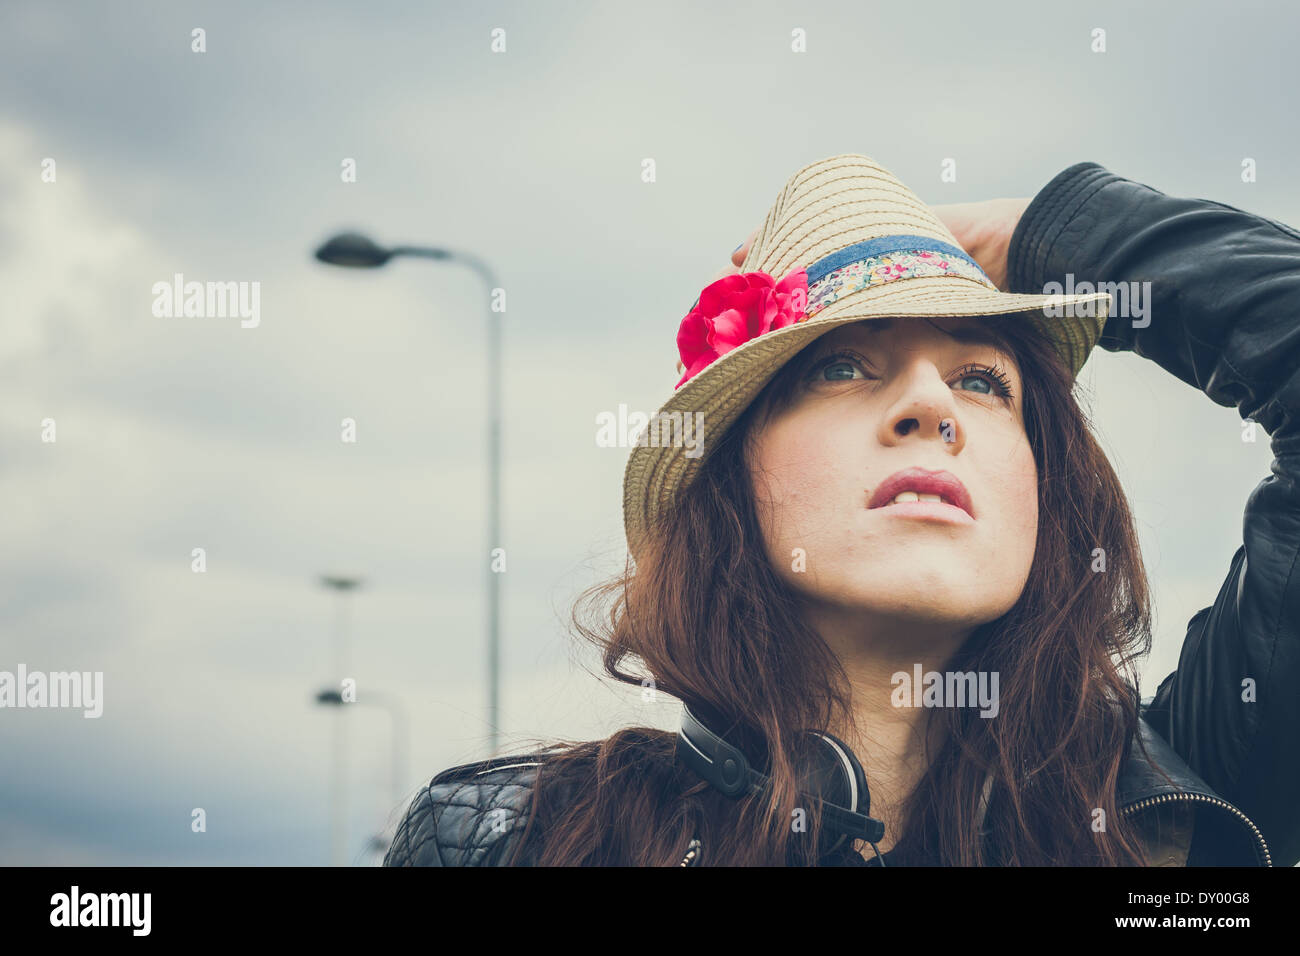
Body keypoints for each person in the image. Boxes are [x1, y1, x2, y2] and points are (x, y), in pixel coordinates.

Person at [384, 154, 1297, 867]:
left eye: (982, 380)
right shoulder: (516, 841)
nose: (931, 406)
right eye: (841, 366)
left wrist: (1040, 234)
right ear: (729, 478)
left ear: (1046, 490)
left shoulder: (1182, 812)